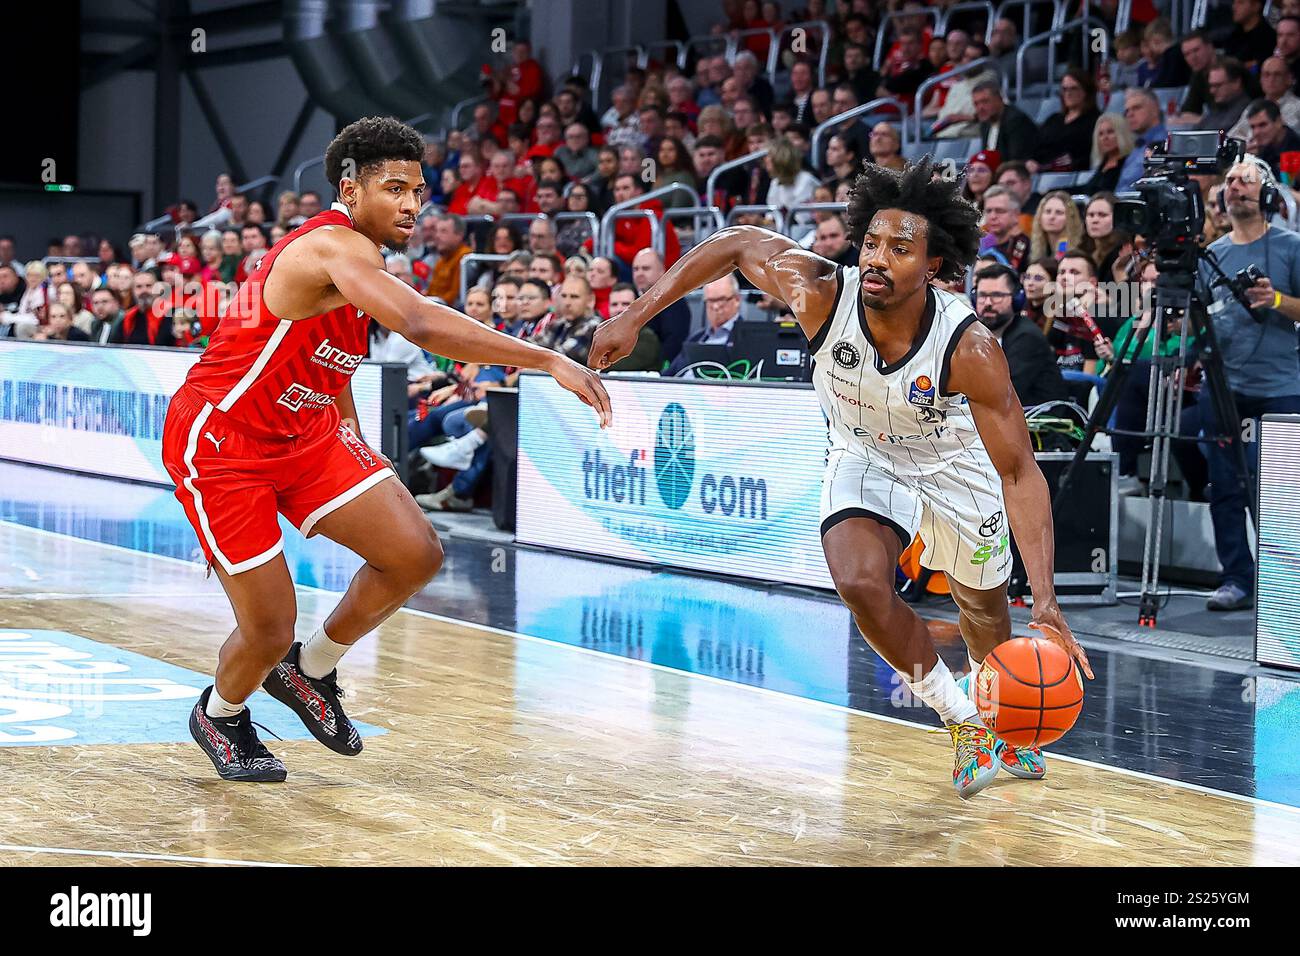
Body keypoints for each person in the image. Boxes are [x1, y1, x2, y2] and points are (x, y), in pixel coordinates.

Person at [592, 156, 1091, 799]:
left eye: (901, 248)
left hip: (953, 462)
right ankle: (964, 725)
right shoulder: (821, 290)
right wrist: (636, 314)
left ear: (934, 267)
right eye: (873, 242)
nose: (878, 258)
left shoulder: (966, 346)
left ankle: (1001, 720)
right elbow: (735, 243)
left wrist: (1046, 601)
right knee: (858, 581)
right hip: (864, 454)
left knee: (984, 617)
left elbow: (1020, 473)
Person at [160, 116, 610, 782]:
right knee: (267, 625)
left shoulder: (364, 261)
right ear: (351, 187)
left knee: (414, 552)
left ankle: (309, 671)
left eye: (419, 191)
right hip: (223, 443)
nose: (410, 204)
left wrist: (356, 445)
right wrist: (548, 359)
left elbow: (329, 360)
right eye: (394, 188)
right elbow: (423, 323)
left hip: (306, 433)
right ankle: (221, 715)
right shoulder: (331, 249)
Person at [1194, 156, 1300, 611]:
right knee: (1226, 485)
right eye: (1229, 180)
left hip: (1281, 383)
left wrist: (1275, 299)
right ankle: (1236, 576)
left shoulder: (1291, 246)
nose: (1234, 187)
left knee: (1278, 487)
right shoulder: (1213, 254)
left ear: (1269, 195)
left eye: (1245, 180)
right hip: (1223, 385)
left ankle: (1282, 584)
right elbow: (1200, 318)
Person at [971, 263, 1067, 408]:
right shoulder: (978, 333)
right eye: (982, 296)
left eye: (997, 295)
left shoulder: (1027, 337)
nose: (988, 303)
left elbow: (1002, 394)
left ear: (1016, 299)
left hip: (1039, 425)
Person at [663, 274, 745, 376]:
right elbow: (670, 374)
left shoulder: (749, 338)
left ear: (737, 300)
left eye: (721, 299)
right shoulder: (696, 338)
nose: (715, 306)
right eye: (710, 300)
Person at [972, 79, 1037, 163]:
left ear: (1000, 99)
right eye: (976, 104)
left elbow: (1016, 160)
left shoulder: (1016, 120)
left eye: (985, 101)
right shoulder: (985, 123)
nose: (980, 108)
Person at [1118, 87, 1167, 192]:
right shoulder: (1137, 147)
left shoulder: (1165, 144)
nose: (1129, 114)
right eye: (1127, 111)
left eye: (1136, 108)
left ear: (1155, 108)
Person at [979, 186, 1031, 273]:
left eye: (999, 211)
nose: (993, 216)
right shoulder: (981, 242)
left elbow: (1011, 274)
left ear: (1015, 214)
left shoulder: (1022, 242)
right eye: (988, 211)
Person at [1081, 113, 1135, 196]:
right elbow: (1087, 189)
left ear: (1121, 134)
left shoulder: (1129, 163)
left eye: (1110, 132)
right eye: (1101, 134)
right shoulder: (1103, 164)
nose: (1105, 138)